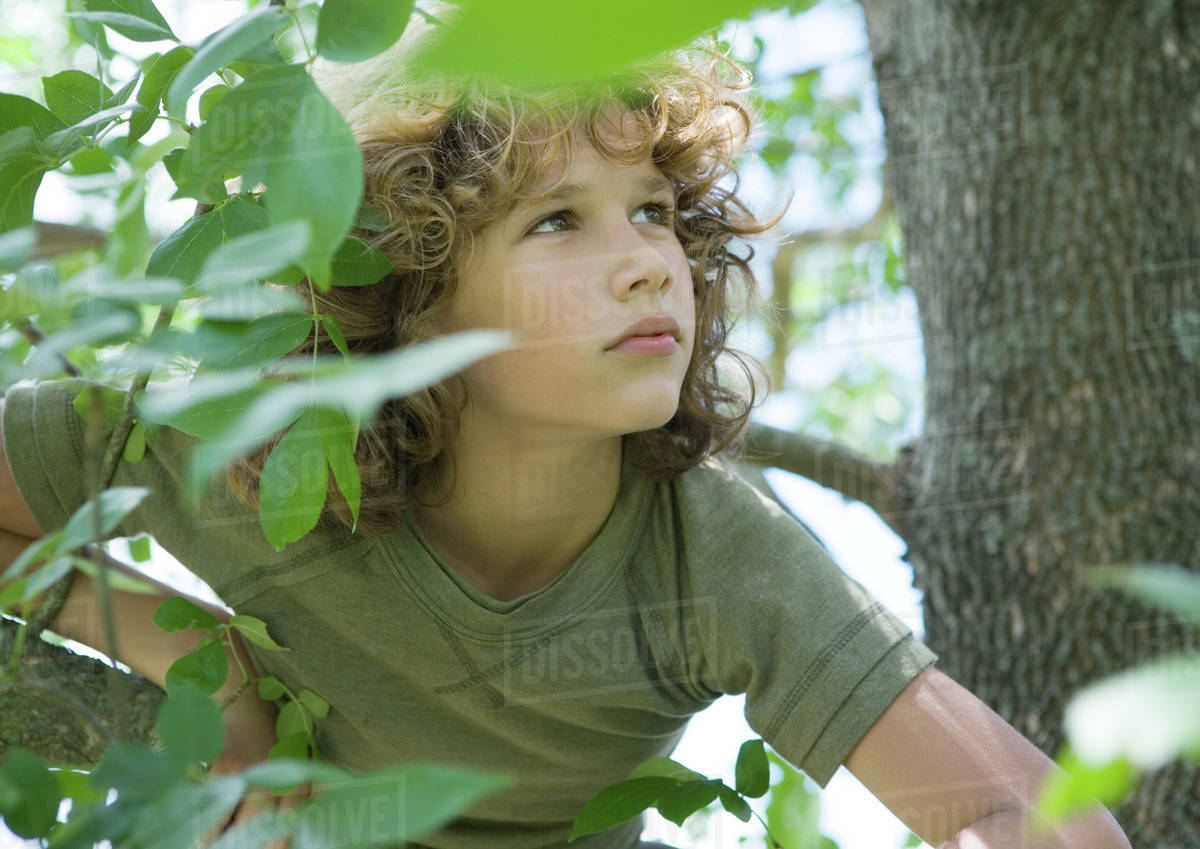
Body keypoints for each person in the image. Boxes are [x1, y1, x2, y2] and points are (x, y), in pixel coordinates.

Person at [0, 5, 1132, 849]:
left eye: (651, 210)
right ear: (411, 291)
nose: (647, 262)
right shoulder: (254, 449)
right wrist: (206, 666)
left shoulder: (713, 549)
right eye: (557, 221)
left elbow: (1038, 815)